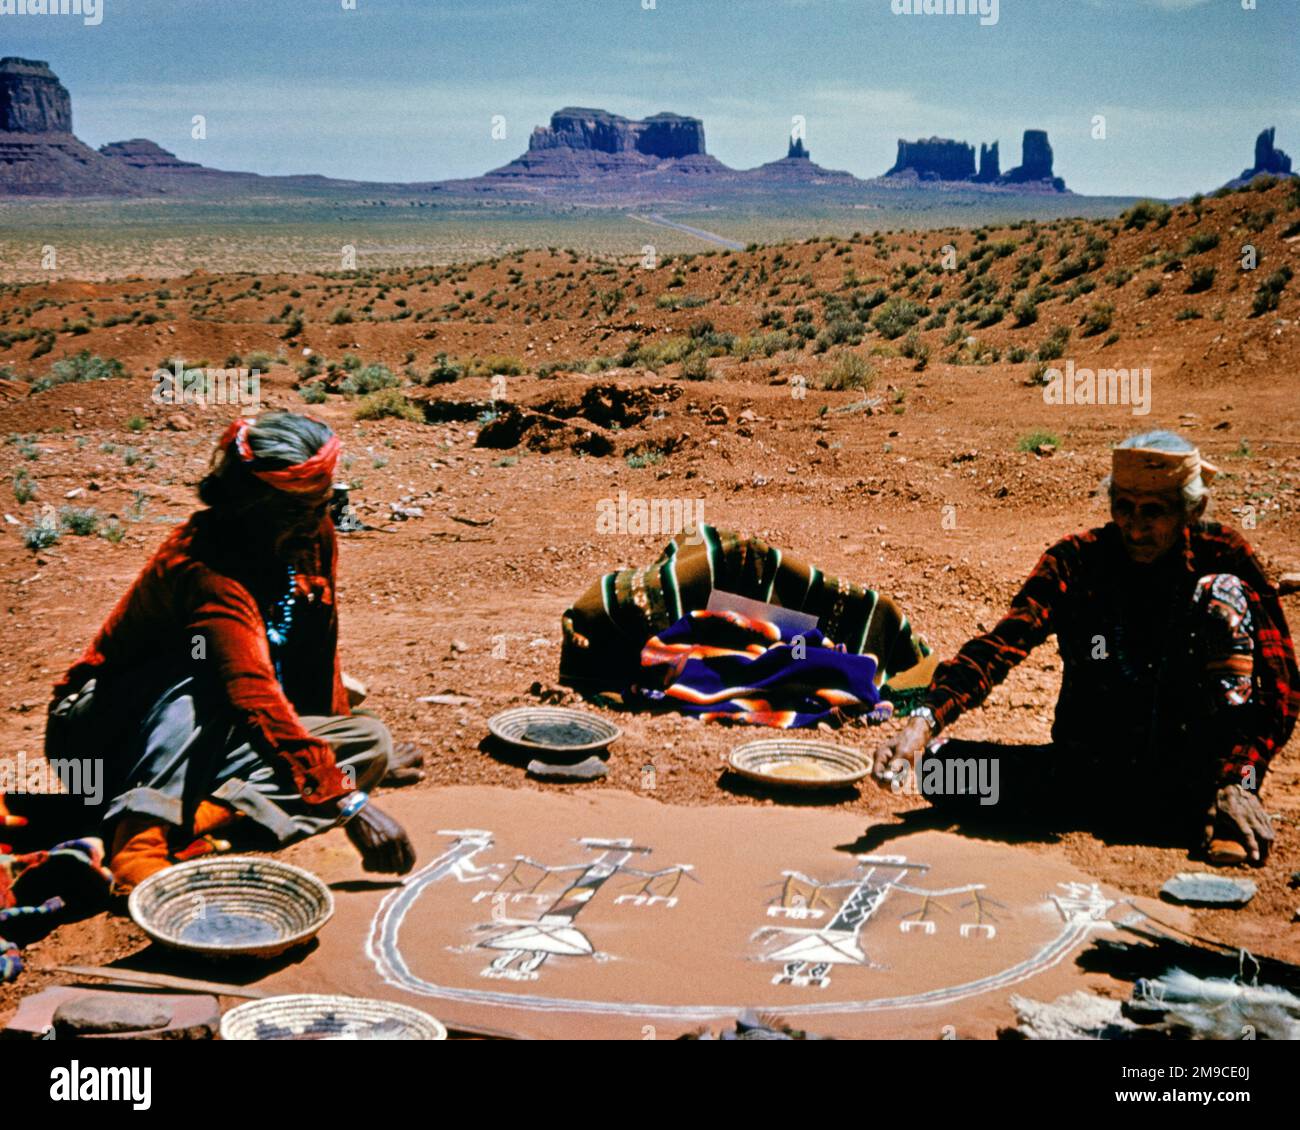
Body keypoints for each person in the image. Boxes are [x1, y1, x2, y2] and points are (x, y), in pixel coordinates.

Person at [872, 431, 1298, 865]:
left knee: (1221, 594)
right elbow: (1002, 645)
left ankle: (1224, 809)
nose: (1135, 527)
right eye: (1124, 508)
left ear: (1193, 510)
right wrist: (924, 721)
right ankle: (1137, 811)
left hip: (1194, 779)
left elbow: (1281, 691)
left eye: (1154, 512)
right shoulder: (1078, 560)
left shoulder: (1222, 555)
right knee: (940, 772)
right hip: (1088, 773)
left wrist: (1239, 780)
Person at [45, 412, 416, 893]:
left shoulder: (310, 532)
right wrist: (345, 803)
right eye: (297, 509)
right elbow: (248, 691)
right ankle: (140, 838)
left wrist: (349, 756)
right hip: (107, 734)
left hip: (213, 734)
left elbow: (316, 651)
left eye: (324, 503)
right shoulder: (207, 568)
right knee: (200, 670)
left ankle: (192, 819)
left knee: (370, 740)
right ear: (251, 503)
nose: (315, 520)